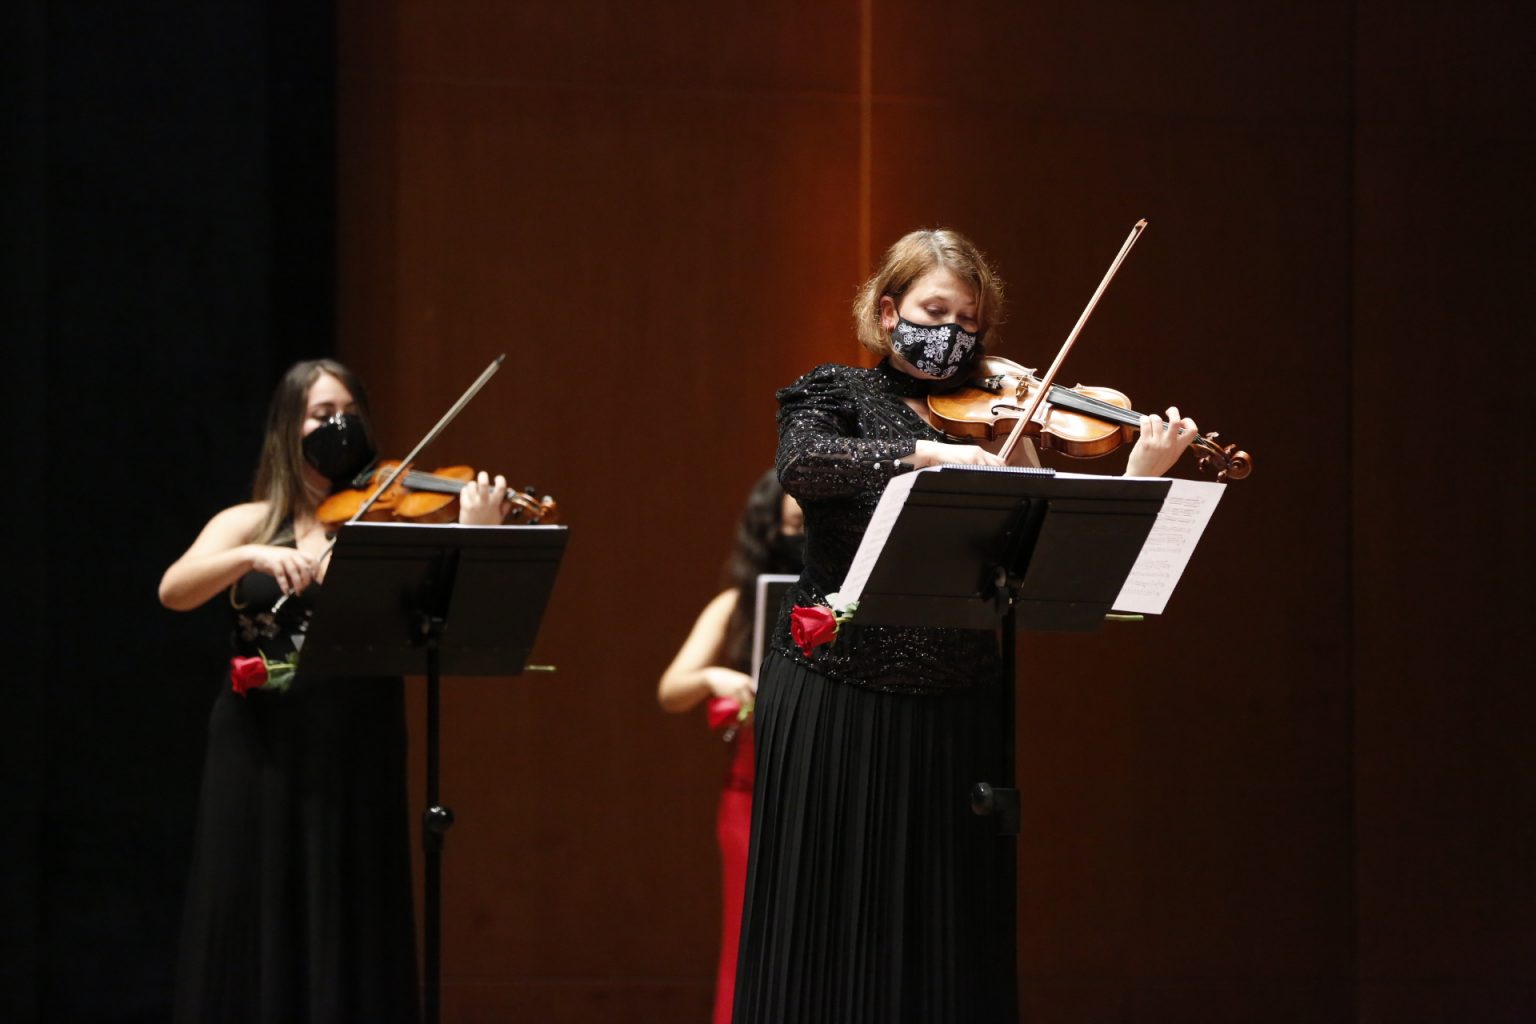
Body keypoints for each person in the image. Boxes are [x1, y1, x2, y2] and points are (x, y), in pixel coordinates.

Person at [732, 229, 1197, 1023]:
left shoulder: (997, 423)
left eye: (969, 320)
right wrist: (925, 454)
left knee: (944, 930)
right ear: (888, 312)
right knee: (828, 928)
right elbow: (804, 467)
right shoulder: (834, 392)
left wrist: (1138, 475)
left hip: (956, 706)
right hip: (836, 694)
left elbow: (1050, 542)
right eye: (933, 311)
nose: (950, 334)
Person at [158, 358, 513, 1024]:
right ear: (288, 429)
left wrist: (476, 533)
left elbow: (453, 617)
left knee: (349, 904)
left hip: (359, 737)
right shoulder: (251, 519)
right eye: (322, 414)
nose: (339, 425)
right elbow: (174, 590)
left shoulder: (387, 520)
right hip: (258, 744)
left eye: (349, 412)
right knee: (252, 899)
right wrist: (251, 556)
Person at [657, 469, 805, 1024]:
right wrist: (716, 679)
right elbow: (672, 690)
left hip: (825, 793)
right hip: (752, 801)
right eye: (792, 523)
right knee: (749, 944)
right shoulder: (734, 604)